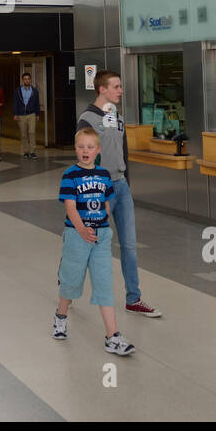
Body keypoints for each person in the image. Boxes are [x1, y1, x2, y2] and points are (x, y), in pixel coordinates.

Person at [78, 70, 162, 318]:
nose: (120, 90)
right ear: (102, 89)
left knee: (129, 245)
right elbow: (83, 158)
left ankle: (133, 298)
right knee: (88, 242)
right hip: (99, 190)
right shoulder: (87, 120)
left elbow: (123, 153)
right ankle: (68, 280)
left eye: (120, 86)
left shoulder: (117, 117)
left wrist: (126, 183)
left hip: (121, 187)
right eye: (116, 86)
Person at [53, 126, 135, 356]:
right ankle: (61, 316)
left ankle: (112, 337)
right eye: (81, 147)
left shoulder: (104, 175)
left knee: (104, 284)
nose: (85, 151)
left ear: (98, 150)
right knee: (71, 281)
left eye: (90, 147)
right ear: (76, 149)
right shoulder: (70, 175)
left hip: (100, 236)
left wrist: (104, 222)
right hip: (77, 237)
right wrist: (81, 229)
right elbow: (70, 207)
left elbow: (107, 201)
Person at [13, 71, 41, 159]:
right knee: (23, 134)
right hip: (21, 115)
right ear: (22, 80)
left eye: (28, 79)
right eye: (25, 79)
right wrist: (15, 114)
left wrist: (37, 114)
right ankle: (25, 151)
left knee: (32, 132)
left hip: (31, 114)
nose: (27, 80)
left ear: (30, 80)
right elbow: (15, 103)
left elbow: (37, 103)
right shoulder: (17, 91)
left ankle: (32, 151)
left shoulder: (34, 91)